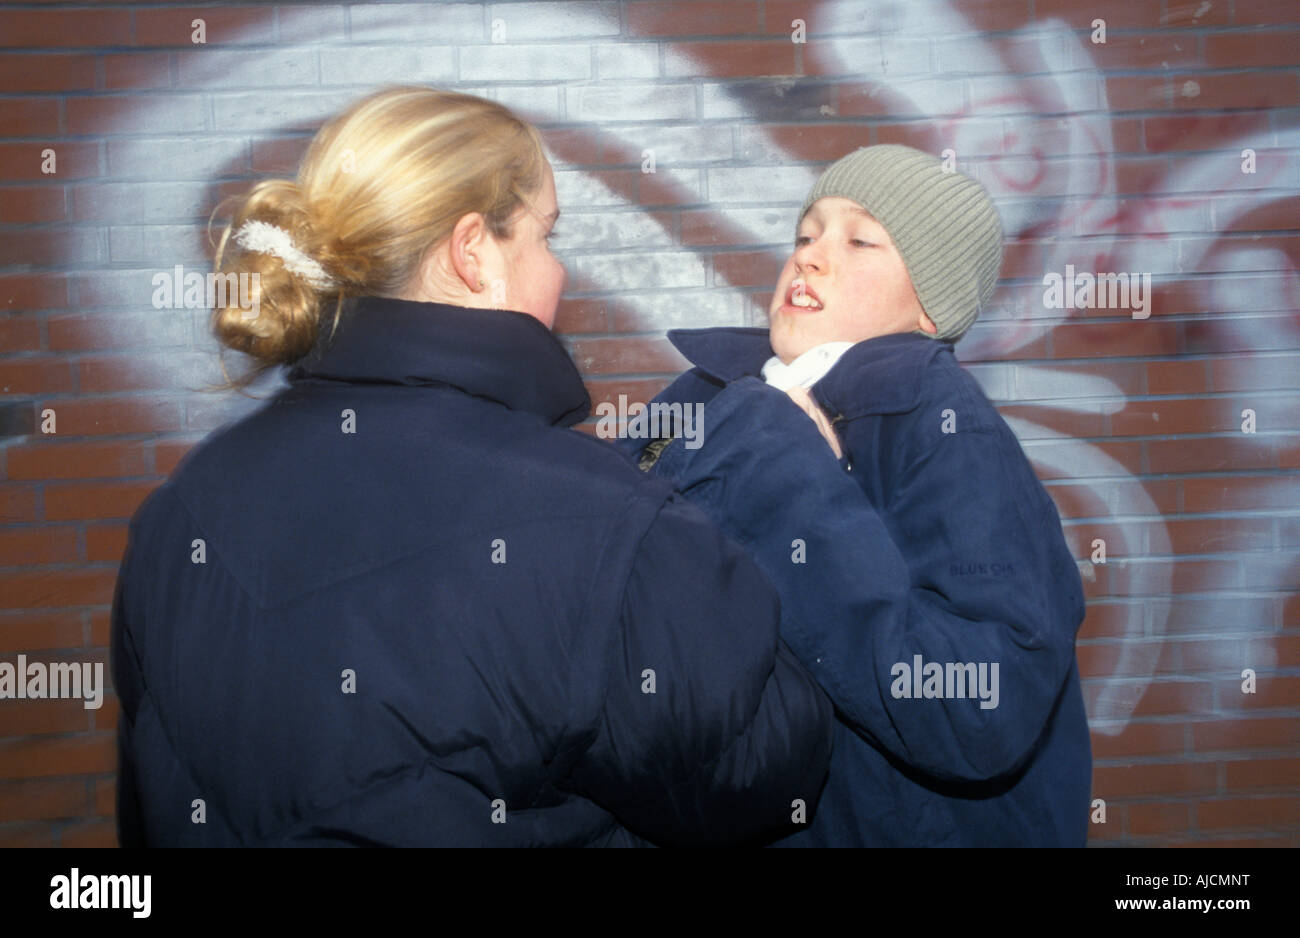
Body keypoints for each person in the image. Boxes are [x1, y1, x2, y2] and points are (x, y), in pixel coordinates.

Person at [110, 85, 835, 847]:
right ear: (472, 252)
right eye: (546, 236)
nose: (559, 274)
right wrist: (789, 488)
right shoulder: (605, 524)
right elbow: (764, 767)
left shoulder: (182, 511)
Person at [618, 144, 1092, 846]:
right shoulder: (705, 395)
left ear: (930, 309)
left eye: (860, 239)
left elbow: (982, 704)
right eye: (806, 234)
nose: (810, 256)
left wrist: (793, 477)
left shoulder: (941, 423)